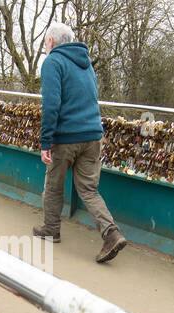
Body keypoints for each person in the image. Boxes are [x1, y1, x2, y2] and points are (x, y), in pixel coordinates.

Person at [31, 22, 127, 264]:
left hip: (66, 138)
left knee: (53, 185)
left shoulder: (53, 61)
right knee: (88, 190)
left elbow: (51, 104)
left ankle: (51, 230)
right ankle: (111, 234)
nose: (45, 47)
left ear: (51, 42)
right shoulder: (86, 64)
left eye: (45, 43)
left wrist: (45, 142)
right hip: (93, 135)